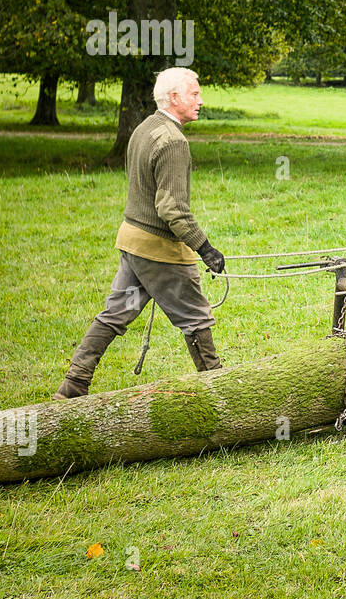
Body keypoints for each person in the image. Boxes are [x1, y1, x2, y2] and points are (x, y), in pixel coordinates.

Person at [54, 67, 227, 399]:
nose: (200, 100)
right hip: (159, 252)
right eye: (195, 94)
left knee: (116, 314)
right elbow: (171, 208)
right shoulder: (174, 141)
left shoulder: (145, 129)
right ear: (174, 97)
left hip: (132, 242)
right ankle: (218, 390)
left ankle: (74, 384)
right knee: (196, 318)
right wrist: (205, 249)